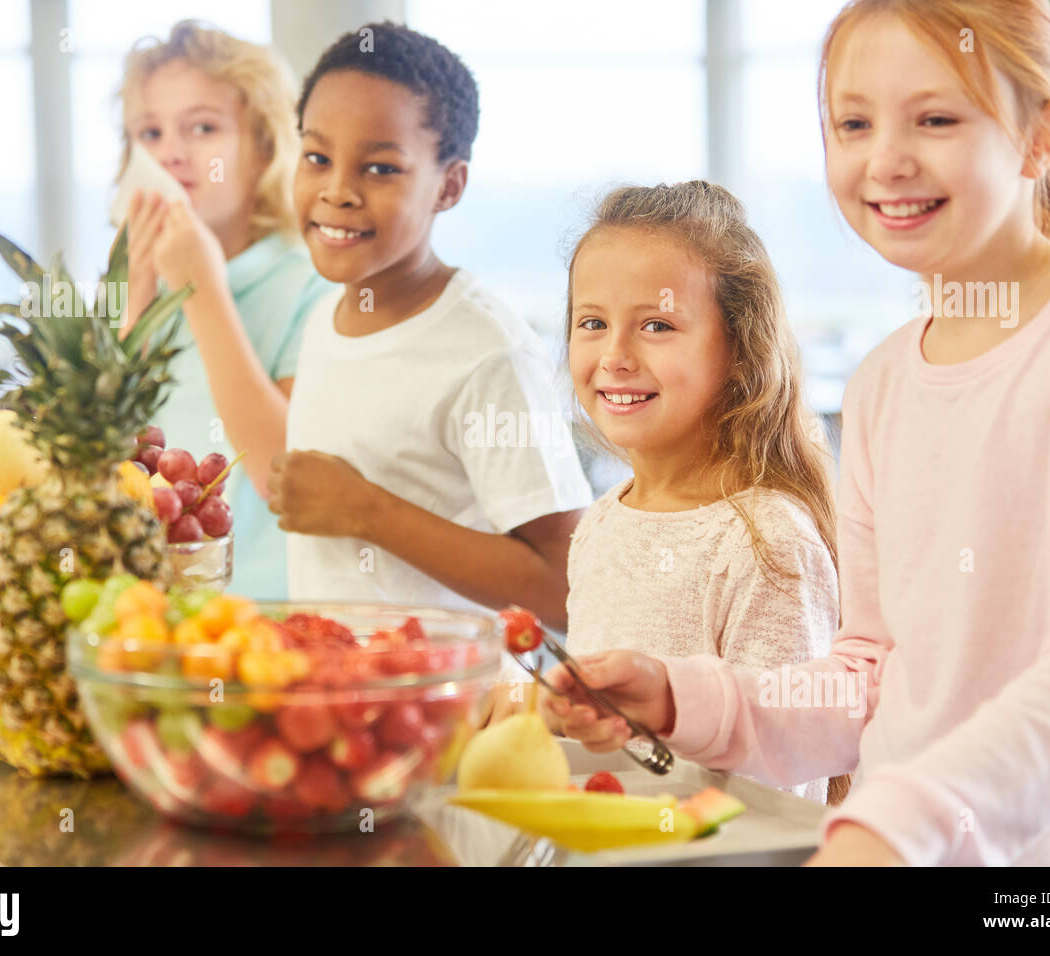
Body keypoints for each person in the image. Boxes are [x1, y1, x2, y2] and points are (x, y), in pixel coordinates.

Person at [545, 0, 1050, 866]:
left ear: (1040, 137)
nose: (887, 159)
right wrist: (683, 699)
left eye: (937, 118)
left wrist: (899, 822)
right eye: (853, 122)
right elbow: (865, 679)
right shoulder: (882, 383)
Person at [266, 23, 593, 636]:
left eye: (381, 168)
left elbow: (569, 588)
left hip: (453, 717)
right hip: (341, 710)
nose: (337, 191)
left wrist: (366, 511)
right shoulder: (322, 319)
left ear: (449, 186)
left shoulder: (488, 351)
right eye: (317, 157)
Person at [558, 181, 844, 804]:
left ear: (740, 352)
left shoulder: (767, 543)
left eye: (657, 325)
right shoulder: (601, 523)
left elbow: (784, 784)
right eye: (592, 323)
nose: (614, 356)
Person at [120, 20, 334, 599]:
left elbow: (275, 473)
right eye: (151, 132)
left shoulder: (311, 288)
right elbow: (97, 468)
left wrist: (204, 289)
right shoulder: (136, 294)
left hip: (266, 620)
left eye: (203, 127)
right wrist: (134, 302)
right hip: (150, 618)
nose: (172, 154)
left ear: (265, 148)